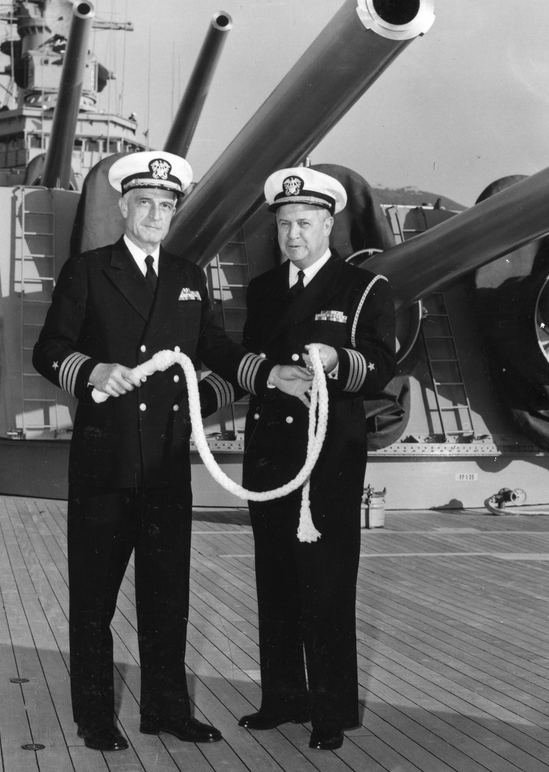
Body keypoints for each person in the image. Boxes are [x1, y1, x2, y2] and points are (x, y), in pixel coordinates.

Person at [32, 151, 310, 752]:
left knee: (166, 597)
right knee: (94, 601)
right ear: (125, 209)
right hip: (105, 464)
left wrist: (267, 376)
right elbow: (48, 348)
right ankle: (95, 716)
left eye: (166, 205)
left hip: (164, 465)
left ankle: (165, 710)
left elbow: (213, 344)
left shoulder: (187, 276)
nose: (155, 213)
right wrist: (92, 371)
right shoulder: (87, 271)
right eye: (145, 204)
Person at [201, 166, 396, 751]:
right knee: (276, 580)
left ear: (329, 224)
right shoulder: (263, 290)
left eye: (304, 223)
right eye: (284, 224)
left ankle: (332, 710)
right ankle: (282, 697)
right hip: (269, 457)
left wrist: (337, 361)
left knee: (328, 584)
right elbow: (253, 366)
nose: (293, 235)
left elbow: (382, 364)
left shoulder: (364, 289)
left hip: (328, 460)